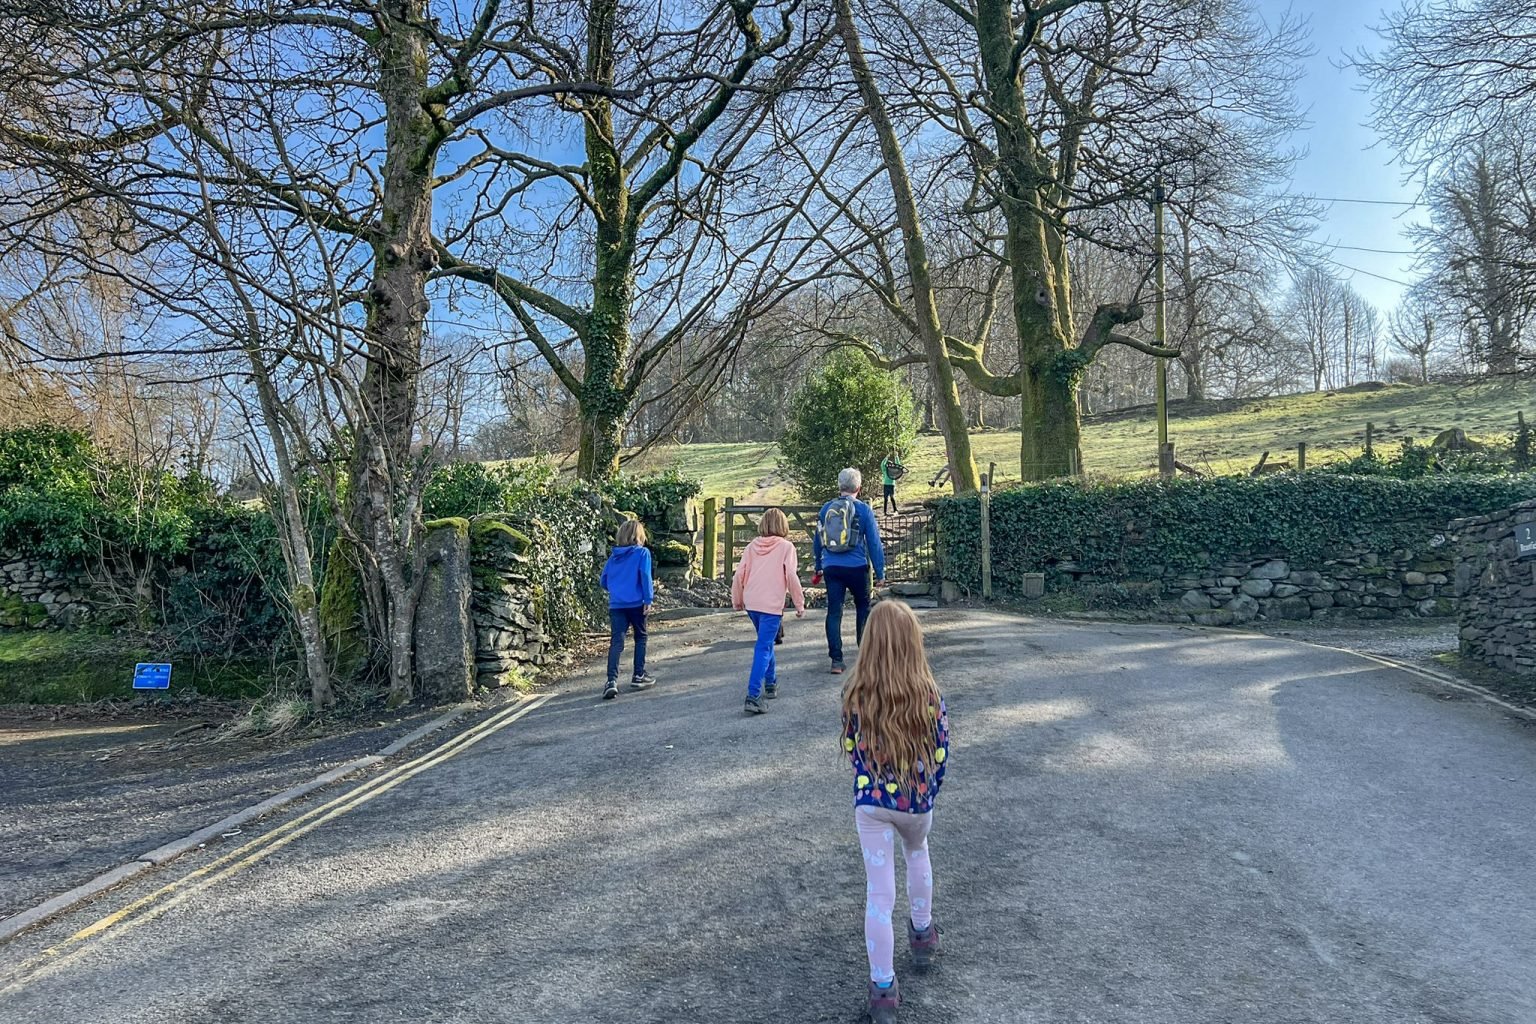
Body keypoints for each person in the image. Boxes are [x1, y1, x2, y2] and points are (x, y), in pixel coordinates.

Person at [840, 600, 949, 1024]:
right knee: (917, 852)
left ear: (868, 643)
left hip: (872, 805)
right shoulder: (928, 695)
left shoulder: (855, 695)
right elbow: (941, 753)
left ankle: (883, 988)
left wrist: (870, 782)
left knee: (879, 894)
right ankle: (922, 934)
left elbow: (854, 753)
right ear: (913, 644)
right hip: (915, 803)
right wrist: (928, 793)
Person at [730, 508, 806, 715]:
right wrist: (799, 603)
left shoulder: (751, 547)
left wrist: (737, 600)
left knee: (766, 641)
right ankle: (753, 695)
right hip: (771, 604)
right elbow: (791, 576)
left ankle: (771, 683)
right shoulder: (786, 547)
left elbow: (739, 575)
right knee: (763, 646)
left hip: (752, 602)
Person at [812, 467, 886, 675]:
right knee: (863, 607)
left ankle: (836, 661)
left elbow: (818, 540)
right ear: (858, 488)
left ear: (839, 486)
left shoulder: (826, 509)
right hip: (857, 567)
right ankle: (865, 657)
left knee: (834, 611)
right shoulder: (863, 510)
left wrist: (818, 565)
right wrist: (880, 572)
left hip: (832, 567)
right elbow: (874, 543)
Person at [599, 519, 656, 700]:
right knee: (641, 637)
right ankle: (638, 675)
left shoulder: (613, 557)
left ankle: (611, 681)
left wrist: (617, 590)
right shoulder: (642, 553)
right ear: (639, 535)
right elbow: (645, 575)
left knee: (617, 642)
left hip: (617, 605)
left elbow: (603, 581)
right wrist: (648, 598)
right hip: (637, 603)